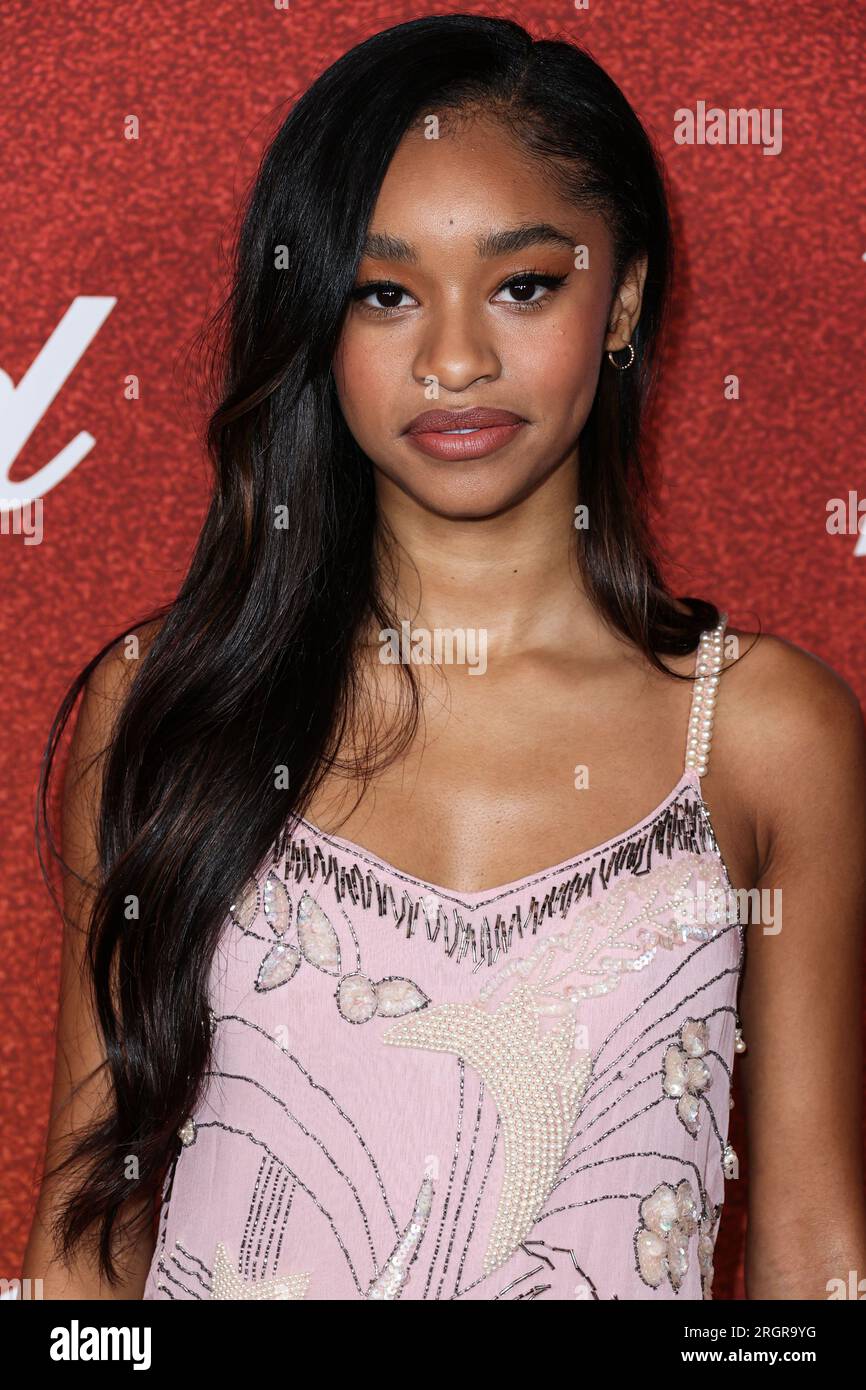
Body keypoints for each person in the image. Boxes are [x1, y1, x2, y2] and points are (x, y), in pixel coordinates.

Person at [22, 14, 866, 1300]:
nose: (456, 359)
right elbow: (83, 1254)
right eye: (384, 293)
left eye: (523, 284)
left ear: (621, 297)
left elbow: (810, 1264)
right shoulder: (170, 701)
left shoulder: (760, 733)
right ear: (316, 317)